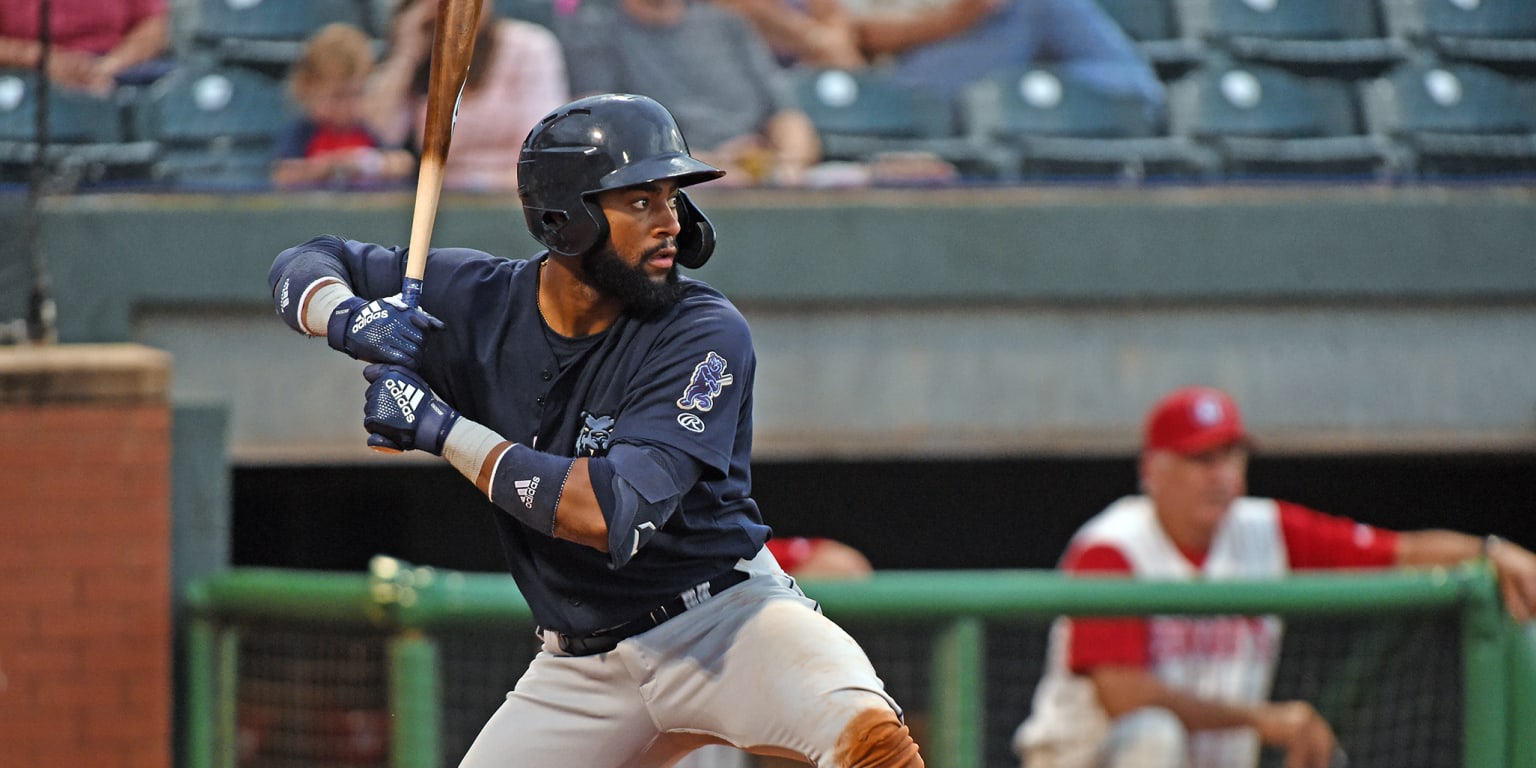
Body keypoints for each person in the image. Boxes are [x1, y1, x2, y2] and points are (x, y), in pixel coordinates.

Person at [266, 93, 923, 767]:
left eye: (672, 198)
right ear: (564, 219)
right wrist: (349, 319)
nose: (671, 223)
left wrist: (441, 429)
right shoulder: (477, 298)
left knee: (873, 747)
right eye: (641, 201)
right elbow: (303, 262)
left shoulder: (702, 330)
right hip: (582, 666)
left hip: (725, 623)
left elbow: (605, 512)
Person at [1014, 385, 1536, 768]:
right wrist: (1262, 721)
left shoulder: (1264, 528)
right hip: (1084, 761)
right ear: (1154, 470)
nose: (1222, 475)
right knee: (1153, 735)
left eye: (1231, 456)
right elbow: (1124, 697)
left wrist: (1490, 550)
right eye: (1202, 459)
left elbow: (1399, 551)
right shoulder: (1112, 547)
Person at [715, 0, 1164, 115]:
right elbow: (855, 38)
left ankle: (1035, 97)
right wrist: (959, 17)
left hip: (981, 45)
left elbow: (833, 27)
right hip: (908, 73)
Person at [556, 0, 821, 187]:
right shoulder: (593, 30)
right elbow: (604, 133)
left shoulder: (729, 25)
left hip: (756, 172)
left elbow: (788, 116)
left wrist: (787, 166)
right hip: (670, 181)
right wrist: (708, 165)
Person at [364, 0, 569, 192]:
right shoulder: (427, 50)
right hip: (443, 202)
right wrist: (407, 53)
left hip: (516, 194)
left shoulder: (530, 46)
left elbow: (541, 146)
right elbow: (379, 134)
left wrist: (476, 183)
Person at [271, 23, 416, 190]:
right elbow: (283, 175)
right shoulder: (301, 132)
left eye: (357, 94)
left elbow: (403, 163)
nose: (347, 105)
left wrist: (366, 163)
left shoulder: (366, 130)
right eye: (337, 96)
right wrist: (331, 167)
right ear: (307, 89)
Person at [0, 0, 170, 94]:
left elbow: (155, 25)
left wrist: (105, 67)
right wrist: (40, 58)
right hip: (27, 74)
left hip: (116, 71)